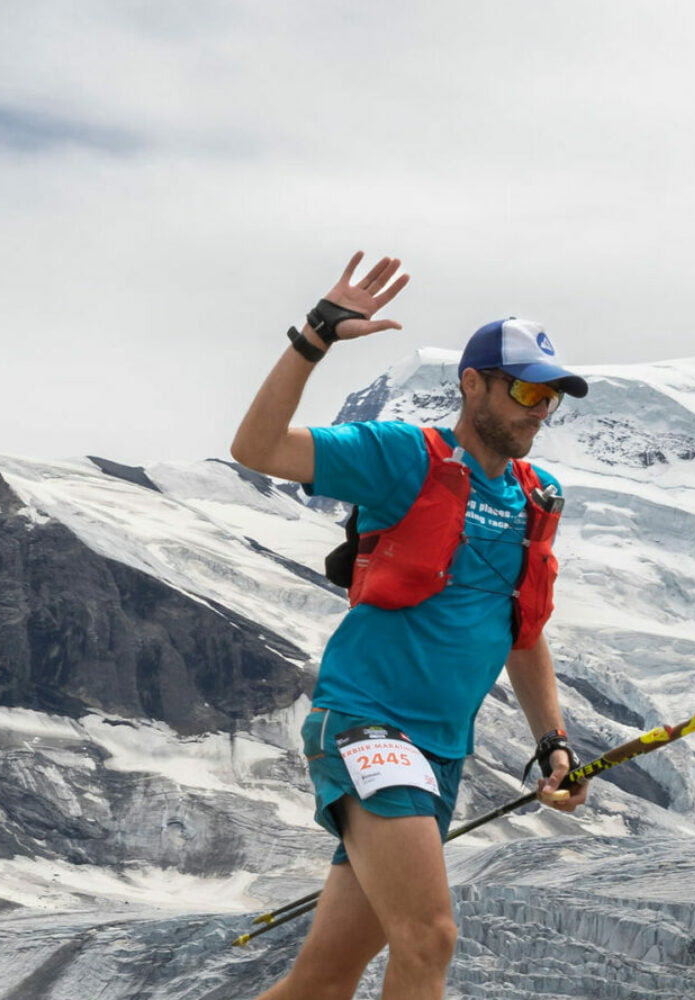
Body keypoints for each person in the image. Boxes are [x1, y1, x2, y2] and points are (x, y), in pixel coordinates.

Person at [230, 249, 590, 1000]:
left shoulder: (537, 498)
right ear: (473, 384)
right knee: (429, 939)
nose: (538, 409)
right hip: (368, 726)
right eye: (525, 389)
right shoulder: (405, 457)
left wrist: (551, 740)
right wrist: (315, 336)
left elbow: (522, 632)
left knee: (323, 980)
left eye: (551, 396)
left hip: (439, 751)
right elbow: (256, 450)